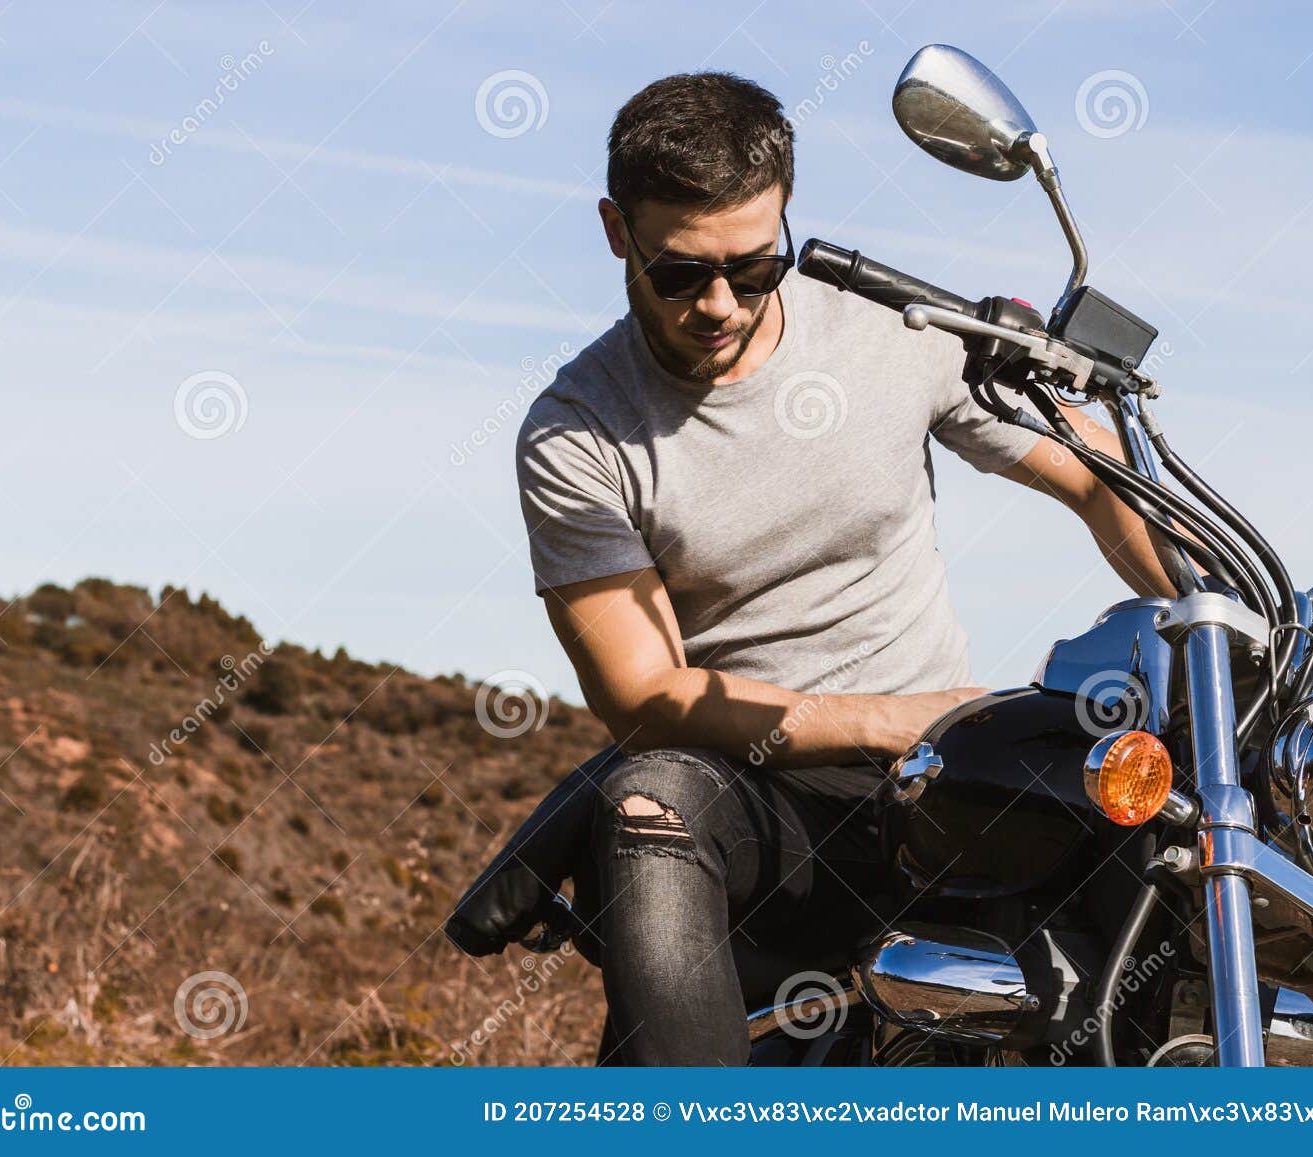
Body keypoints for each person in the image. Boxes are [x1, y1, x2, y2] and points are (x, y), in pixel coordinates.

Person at [448, 71, 1170, 1065]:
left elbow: (1099, 479)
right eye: (677, 273)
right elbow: (645, 693)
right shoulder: (578, 433)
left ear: (787, 222)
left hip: (949, 776)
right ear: (617, 232)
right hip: (764, 789)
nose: (718, 304)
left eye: (753, 268)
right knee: (649, 802)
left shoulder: (890, 327)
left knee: (1163, 810)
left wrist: (1200, 603)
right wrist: (884, 717)